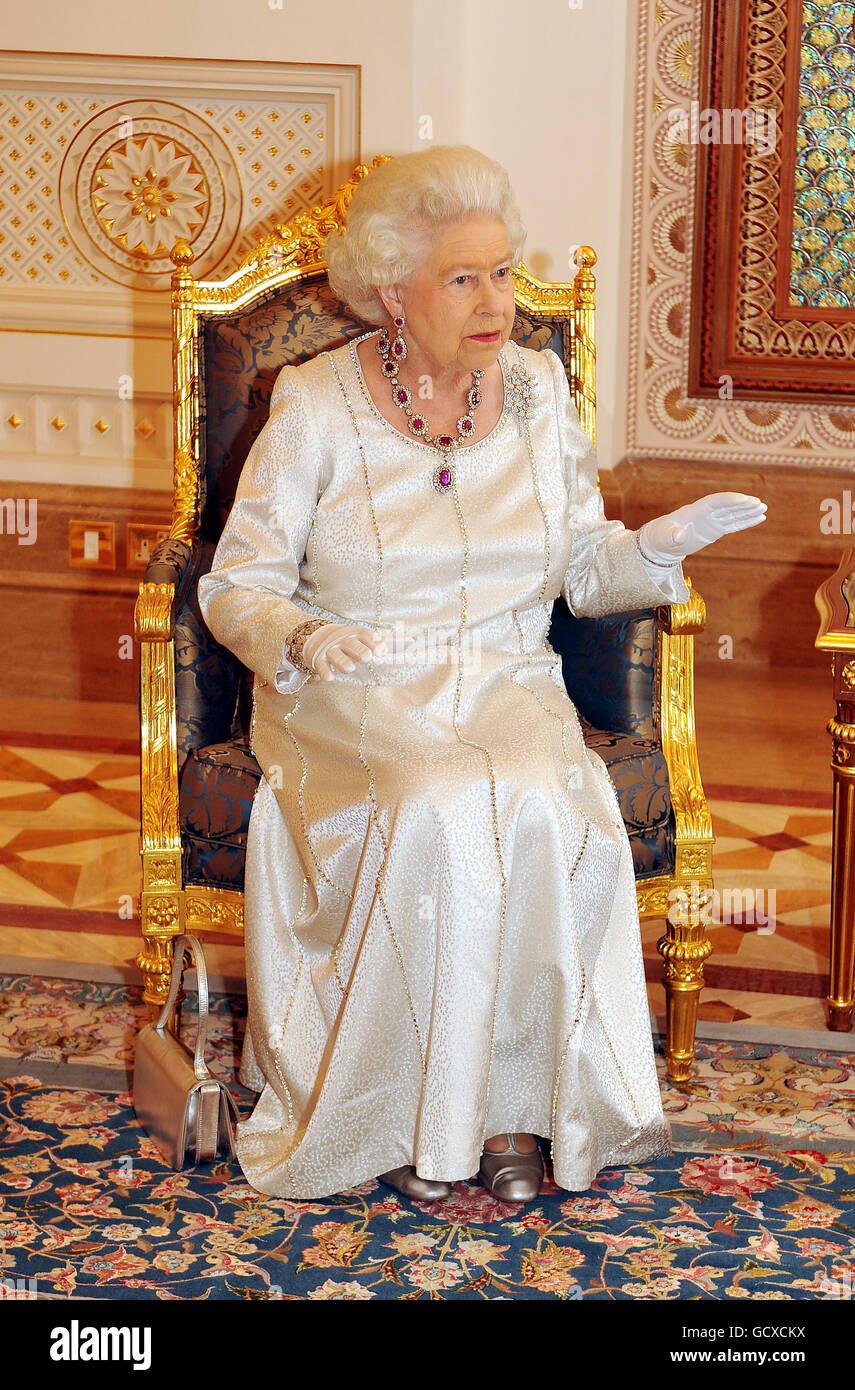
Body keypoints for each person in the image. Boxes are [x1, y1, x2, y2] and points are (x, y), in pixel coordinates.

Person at [197, 146, 766, 1205]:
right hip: (353, 687)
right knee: (444, 802)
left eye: (502, 271)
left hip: (505, 676)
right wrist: (297, 634)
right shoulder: (316, 405)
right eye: (464, 277)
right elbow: (234, 585)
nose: (497, 300)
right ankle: (415, 1116)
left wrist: (656, 549)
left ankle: (514, 1107)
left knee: (553, 804)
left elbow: (586, 571)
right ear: (393, 292)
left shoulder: (543, 393)